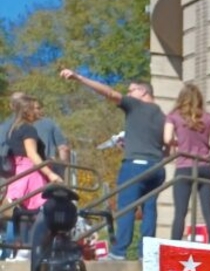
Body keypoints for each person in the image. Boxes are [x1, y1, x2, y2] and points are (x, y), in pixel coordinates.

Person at [60, 68, 165, 260]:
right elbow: (167, 143)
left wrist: (80, 78)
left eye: (131, 90)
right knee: (149, 209)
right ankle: (147, 254)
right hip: (157, 167)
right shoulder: (161, 115)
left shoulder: (135, 105)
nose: (128, 94)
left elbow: (109, 93)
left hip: (136, 165)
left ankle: (118, 252)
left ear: (143, 92)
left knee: (126, 206)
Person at [164, 83, 210, 244]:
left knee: (180, 212)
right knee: (208, 211)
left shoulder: (174, 116)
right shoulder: (208, 118)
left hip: (185, 167)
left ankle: (174, 247)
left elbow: (166, 139)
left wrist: (177, 142)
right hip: (206, 167)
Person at [4, 96, 62, 260]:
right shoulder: (28, 129)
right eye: (36, 108)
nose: (39, 111)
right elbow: (32, 154)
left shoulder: (13, 129)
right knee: (40, 213)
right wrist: (51, 174)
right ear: (27, 110)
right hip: (31, 172)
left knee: (24, 214)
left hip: (19, 173)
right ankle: (29, 250)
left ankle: (22, 249)